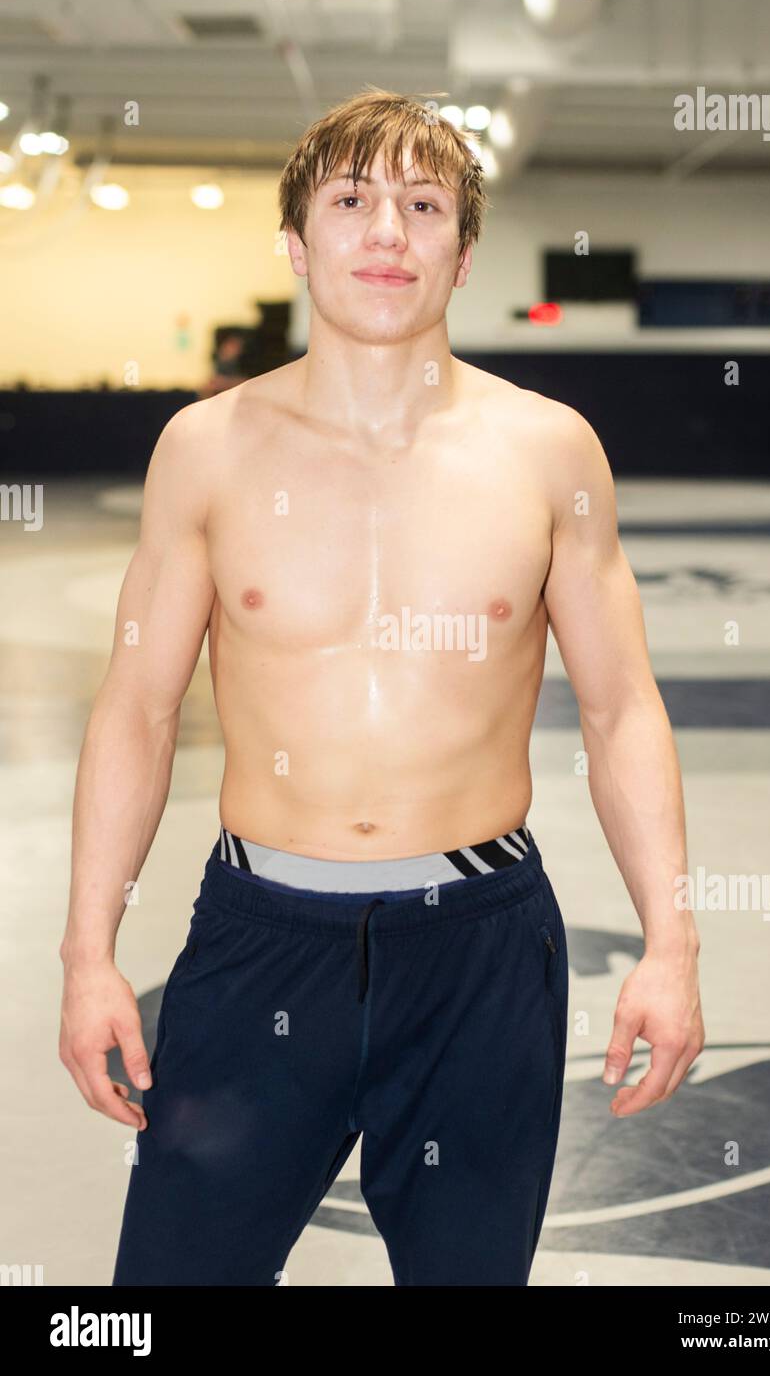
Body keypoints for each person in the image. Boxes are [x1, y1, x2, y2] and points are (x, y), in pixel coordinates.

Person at [59, 88, 704, 1287]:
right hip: (260, 944)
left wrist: (670, 945)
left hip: (479, 951)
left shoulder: (547, 448)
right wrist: (87, 954)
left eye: (422, 205)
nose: (387, 232)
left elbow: (621, 710)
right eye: (351, 201)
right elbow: (135, 708)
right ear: (299, 244)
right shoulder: (204, 450)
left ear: (461, 252)